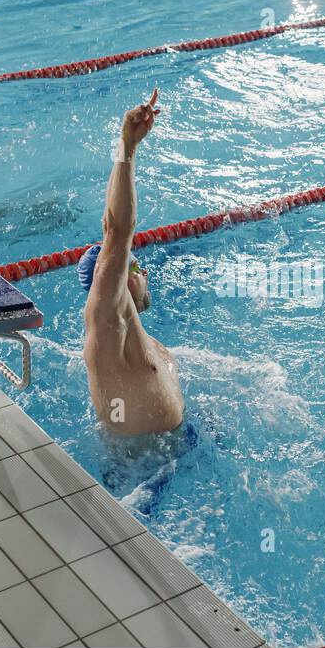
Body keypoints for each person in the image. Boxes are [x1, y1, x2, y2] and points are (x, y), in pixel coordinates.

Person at [80, 89, 186, 439]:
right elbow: (118, 229)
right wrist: (127, 145)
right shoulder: (106, 319)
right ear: (117, 277)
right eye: (137, 269)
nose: (146, 274)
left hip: (173, 459)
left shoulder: (138, 338)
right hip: (140, 478)